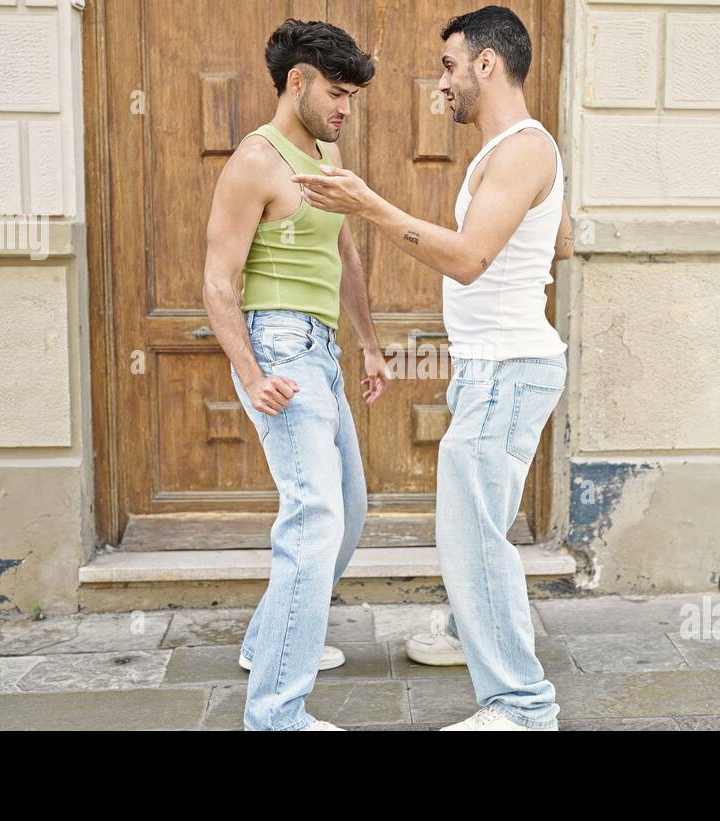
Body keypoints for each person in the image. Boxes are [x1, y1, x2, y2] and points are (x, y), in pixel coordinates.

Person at [293, 5, 572, 731]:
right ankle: (463, 631)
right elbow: (561, 242)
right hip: (497, 366)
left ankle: (520, 707)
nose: (441, 83)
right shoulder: (520, 150)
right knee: (479, 525)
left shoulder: (520, 150)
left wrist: (368, 204)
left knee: (472, 534)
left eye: (450, 66)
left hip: (506, 367)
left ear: (487, 64)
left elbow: (470, 259)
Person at [200, 18, 390, 731]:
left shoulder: (328, 151)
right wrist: (249, 374)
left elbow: (345, 253)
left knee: (350, 510)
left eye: (352, 97)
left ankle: (264, 643)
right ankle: (276, 715)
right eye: (337, 93)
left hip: (325, 350)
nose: (345, 108)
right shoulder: (255, 160)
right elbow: (217, 282)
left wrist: (368, 343)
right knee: (313, 520)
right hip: (278, 344)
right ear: (297, 81)